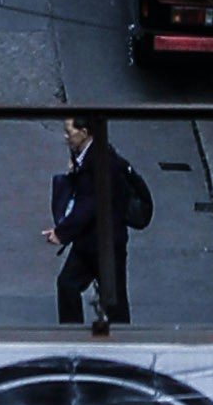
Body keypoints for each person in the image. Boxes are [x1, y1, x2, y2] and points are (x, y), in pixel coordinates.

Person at [47, 112, 149, 331]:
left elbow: (89, 204)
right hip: (90, 241)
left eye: (69, 132)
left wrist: (62, 232)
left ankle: (122, 339)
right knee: (68, 285)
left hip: (106, 243)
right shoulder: (86, 153)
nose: (65, 137)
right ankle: (72, 333)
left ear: (84, 133)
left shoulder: (102, 162)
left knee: (113, 299)